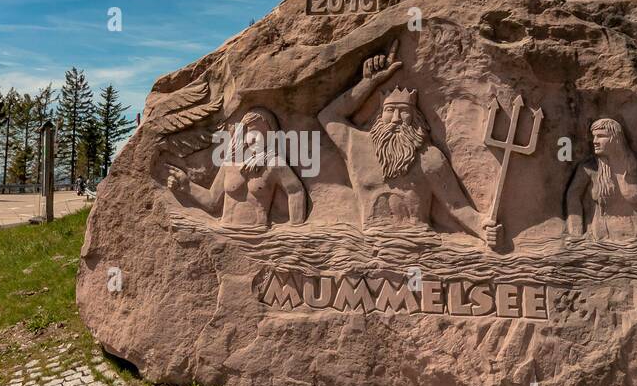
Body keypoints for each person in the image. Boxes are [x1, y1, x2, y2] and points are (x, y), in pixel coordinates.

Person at [319, 41, 500, 247]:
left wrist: (485, 230)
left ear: (416, 118)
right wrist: (369, 82)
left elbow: (458, 207)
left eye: (403, 112)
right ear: (379, 115)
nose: (396, 119)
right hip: (371, 247)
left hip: (417, 247)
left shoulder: (430, 158)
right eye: (390, 111)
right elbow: (328, 116)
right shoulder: (357, 145)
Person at [164, 106, 307, 228]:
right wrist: (186, 185)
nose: (258, 138)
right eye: (254, 132)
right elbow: (213, 202)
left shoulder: (274, 164)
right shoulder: (230, 164)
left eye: (264, 133)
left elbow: (296, 192)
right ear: (244, 134)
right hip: (225, 231)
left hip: (259, 236)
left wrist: (296, 227)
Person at [564, 118, 637, 243]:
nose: (595, 141)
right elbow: (573, 196)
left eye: (601, 136)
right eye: (594, 137)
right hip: (601, 239)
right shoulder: (589, 168)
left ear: (615, 138)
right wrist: (575, 232)